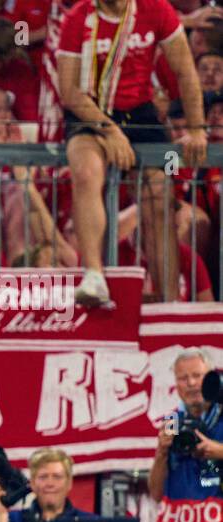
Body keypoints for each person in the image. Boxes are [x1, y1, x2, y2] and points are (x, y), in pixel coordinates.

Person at [58, 0, 205, 305]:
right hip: (89, 112)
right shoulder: (77, 18)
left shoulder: (157, 9)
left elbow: (185, 71)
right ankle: (94, 276)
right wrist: (109, 130)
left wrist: (197, 128)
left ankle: (168, 300)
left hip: (140, 113)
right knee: (86, 171)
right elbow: (70, 92)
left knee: (159, 198)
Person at [148, 348, 223, 522]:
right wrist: (161, 452)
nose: (190, 384)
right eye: (183, 378)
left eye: (197, 376)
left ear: (211, 379)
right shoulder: (171, 419)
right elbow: (156, 494)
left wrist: (219, 451)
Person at [0, 447, 98, 522]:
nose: (50, 484)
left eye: (57, 477)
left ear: (69, 483)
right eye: (43, 477)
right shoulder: (15, 519)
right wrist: (0, 513)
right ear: (32, 483)